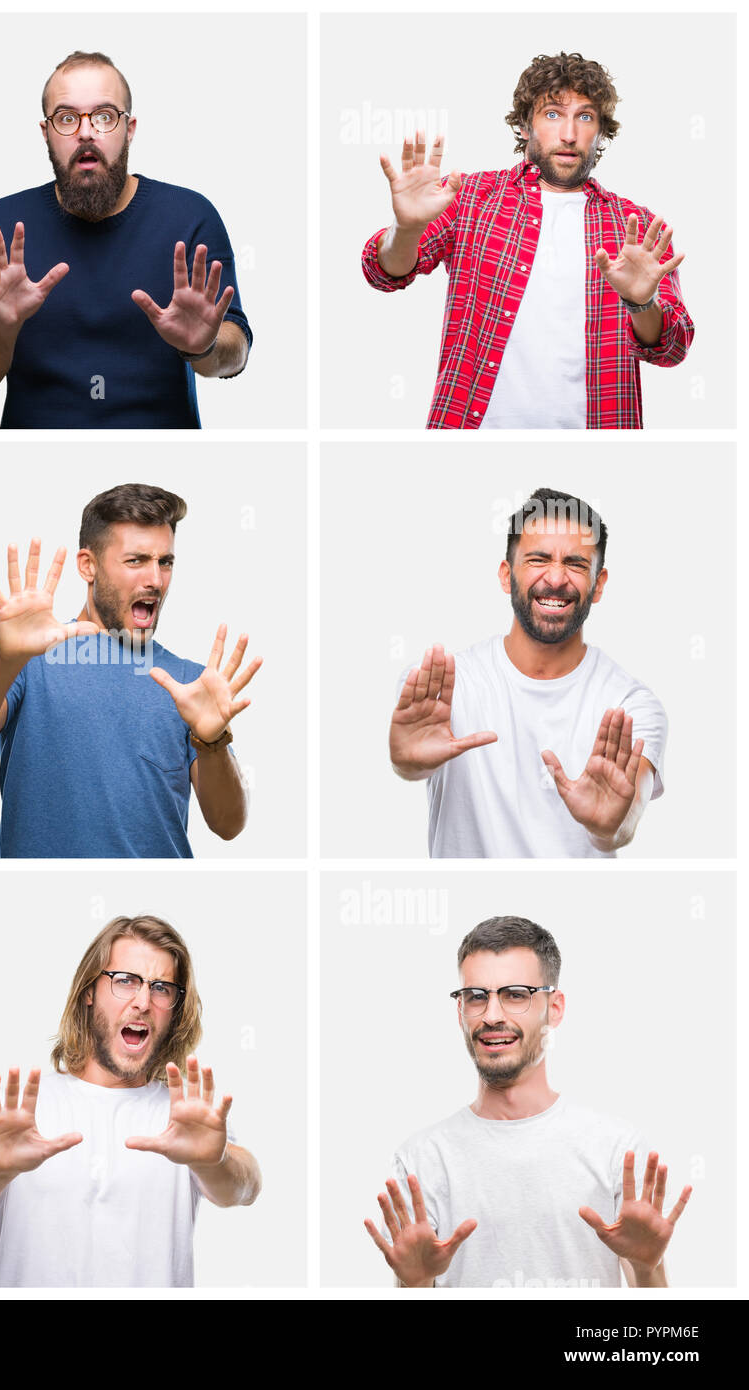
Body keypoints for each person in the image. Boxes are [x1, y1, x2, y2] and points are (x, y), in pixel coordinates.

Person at [363, 51, 693, 428]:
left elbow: (672, 348)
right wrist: (405, 229)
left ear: (601, 131)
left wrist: (640, 302)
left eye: (584, 117)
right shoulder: (469, 197)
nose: (569, 133)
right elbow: (383, 273)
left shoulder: (634, 227)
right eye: (552, 114)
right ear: (524, 125)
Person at [365, 916, 692, 1288]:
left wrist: (649, 1268)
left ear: (554, 1008)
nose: (491, 1016)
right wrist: (415, 1285)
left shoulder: (618, 1150)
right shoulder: (421, 1159)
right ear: (460, 1011)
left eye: (515, 994)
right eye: (476, 997)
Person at [0, 482, 261, 857]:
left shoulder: (189, 683)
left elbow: (228, 825)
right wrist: (4, 659)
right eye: (136, 560)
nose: (155, 579)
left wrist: (213, 743)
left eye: (165, 562)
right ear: (88, 566)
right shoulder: (31, 657)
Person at [0, 914, 260, 1286]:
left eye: (161, 988)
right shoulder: (24, 1108)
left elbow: (245, 1187)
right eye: (125, 981)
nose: (142, 1001)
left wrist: (215, 1162)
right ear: (89, 991)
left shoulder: (186, 1116)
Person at [0, 50, 251, 427]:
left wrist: (202, 346)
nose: (86, 132)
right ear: (46, 133)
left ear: (130, 129)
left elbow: (236, 354)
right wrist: (0, 333)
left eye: (105, 116)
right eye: (67, 118)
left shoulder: (190, 217)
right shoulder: (0, 227)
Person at [389, 487, 665, 857]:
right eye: (538, 559)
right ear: (506, 576)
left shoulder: (632, 706)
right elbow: (411, 762)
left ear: (598, 586)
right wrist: (405, 764)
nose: (555, 578)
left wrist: (608, 827)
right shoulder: (446, 687)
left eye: (576, 563)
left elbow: (624, 821)